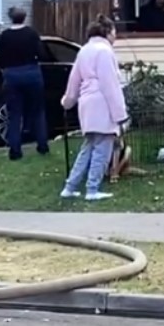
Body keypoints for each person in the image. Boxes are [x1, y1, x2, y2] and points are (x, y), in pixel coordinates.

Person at [58, 18, 129, 201]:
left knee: (88, 147)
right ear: (106, 32)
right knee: (102, 150)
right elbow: (110, 86)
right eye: (113, 31)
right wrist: (121, 115)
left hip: (86, 103)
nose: (115, 35)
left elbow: (74, 80)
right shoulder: (105, 51)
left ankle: (70, 186)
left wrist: (67, 101)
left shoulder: (83, 51)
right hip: (102, 104)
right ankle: (92, 189)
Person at [0, 5, 50, 160]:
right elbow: (41, 53)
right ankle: (42, 145)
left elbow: (0, 58)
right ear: (24, 17)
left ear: (11, 18)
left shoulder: (5, 36)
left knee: (14, 113)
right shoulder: (31, 34)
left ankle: (15, 150)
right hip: (32, 73)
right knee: (38, 110)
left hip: (12, 75)